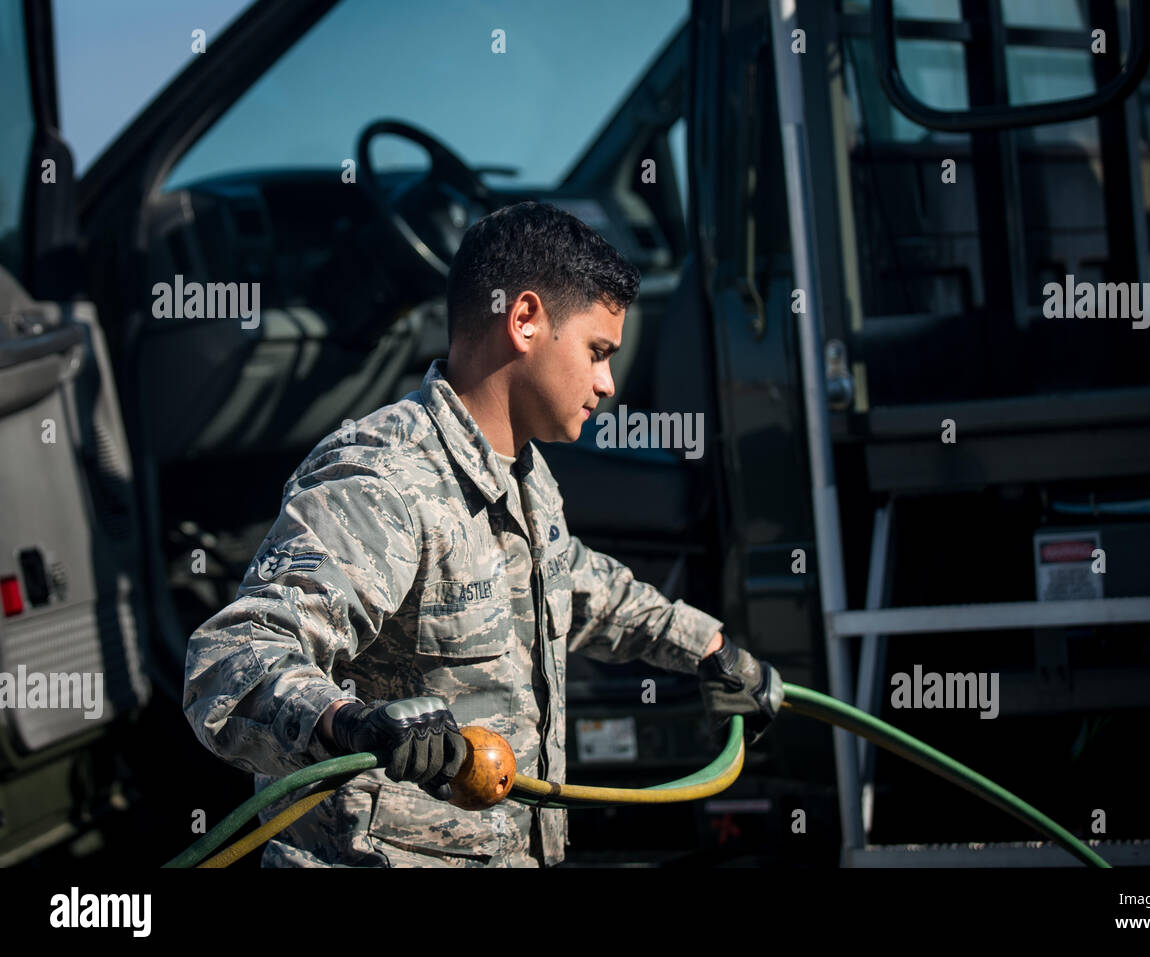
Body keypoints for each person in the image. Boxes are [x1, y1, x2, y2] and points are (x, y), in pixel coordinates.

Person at [182, 200, 783, 867]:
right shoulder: (384, 482)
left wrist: (709, 647)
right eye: (597, 352)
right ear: (524, 319)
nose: (608, 382)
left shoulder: (525, 471)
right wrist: (345, 720)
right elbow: (232, 658)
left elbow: (577, 583)